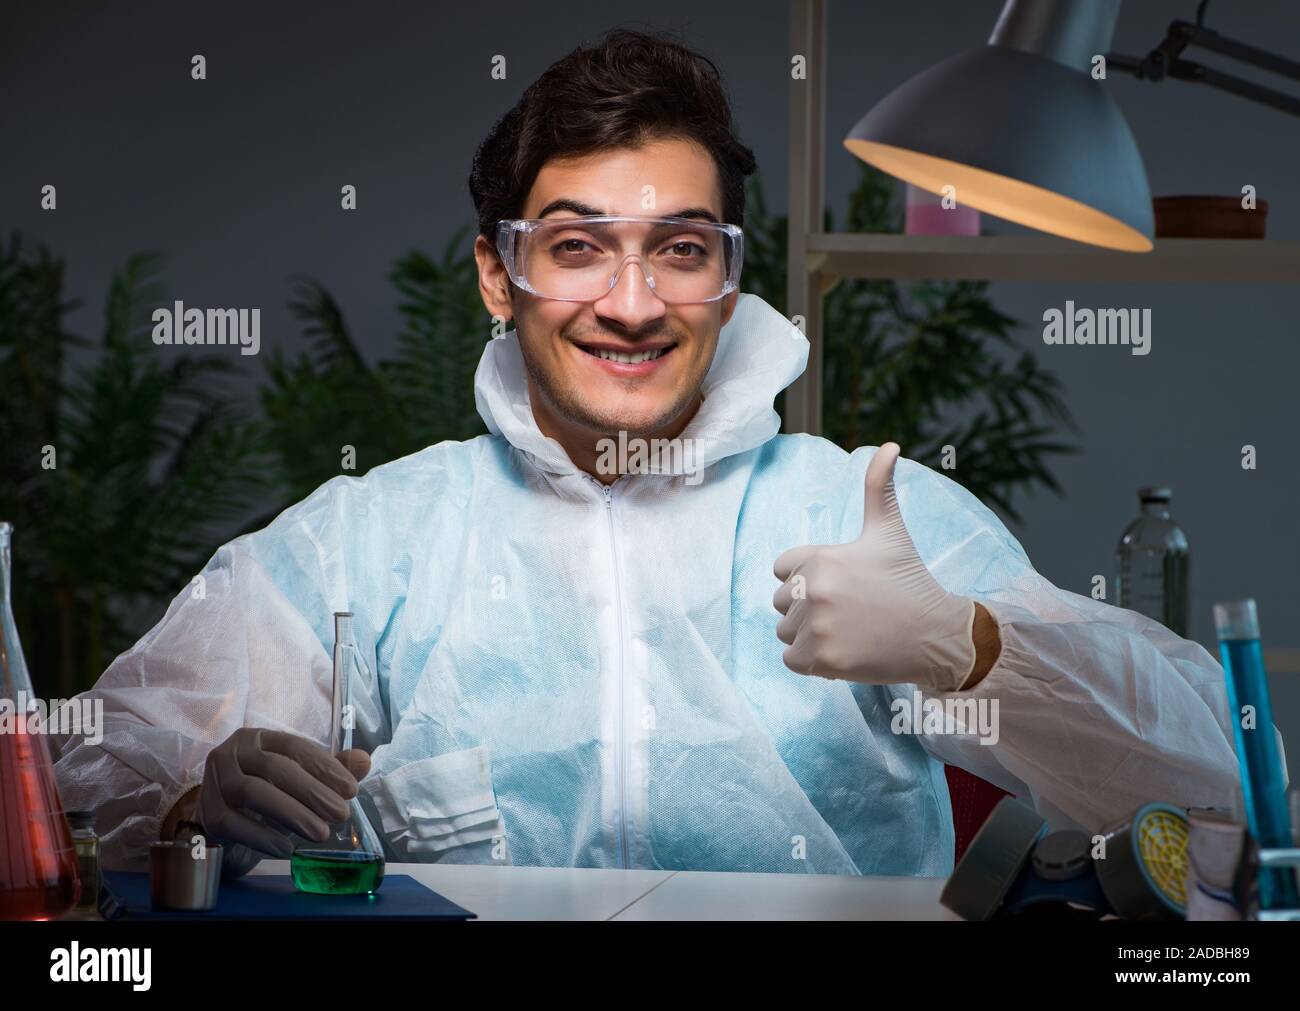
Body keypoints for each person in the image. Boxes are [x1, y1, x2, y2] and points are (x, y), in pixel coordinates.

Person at [55, 28, 1257, 878]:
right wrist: (188, 810)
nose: (631, 303)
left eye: (679, 250)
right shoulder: (372, 538)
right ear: (496, 273)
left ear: (728, 282)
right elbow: (71, 797)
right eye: (576, 247)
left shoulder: (864, 514)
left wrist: (966, 643)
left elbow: (1214, 791)